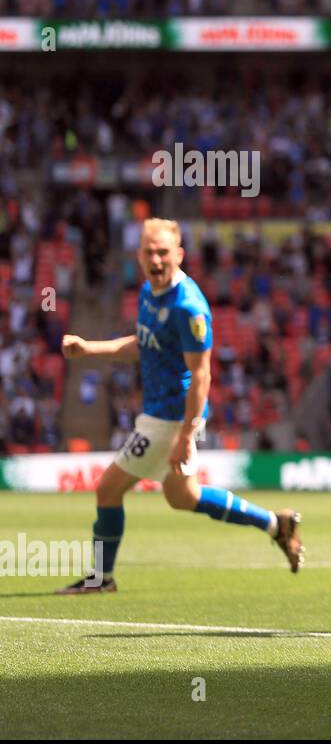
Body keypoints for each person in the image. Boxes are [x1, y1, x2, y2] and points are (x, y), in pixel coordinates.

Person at [57, 218, 302, 594]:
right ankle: (275, 524)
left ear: (179, 254)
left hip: (171, 417)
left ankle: (100, 578)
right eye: (148, 252)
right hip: (161, 413)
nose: (155, 259)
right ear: (138, 255)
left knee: (107, 489)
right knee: (182, 497)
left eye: (163, 252)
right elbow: (144, 344)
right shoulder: (147, 293)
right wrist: (91, 349)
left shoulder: (188, 307)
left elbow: (201, 375)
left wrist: (187, 435)